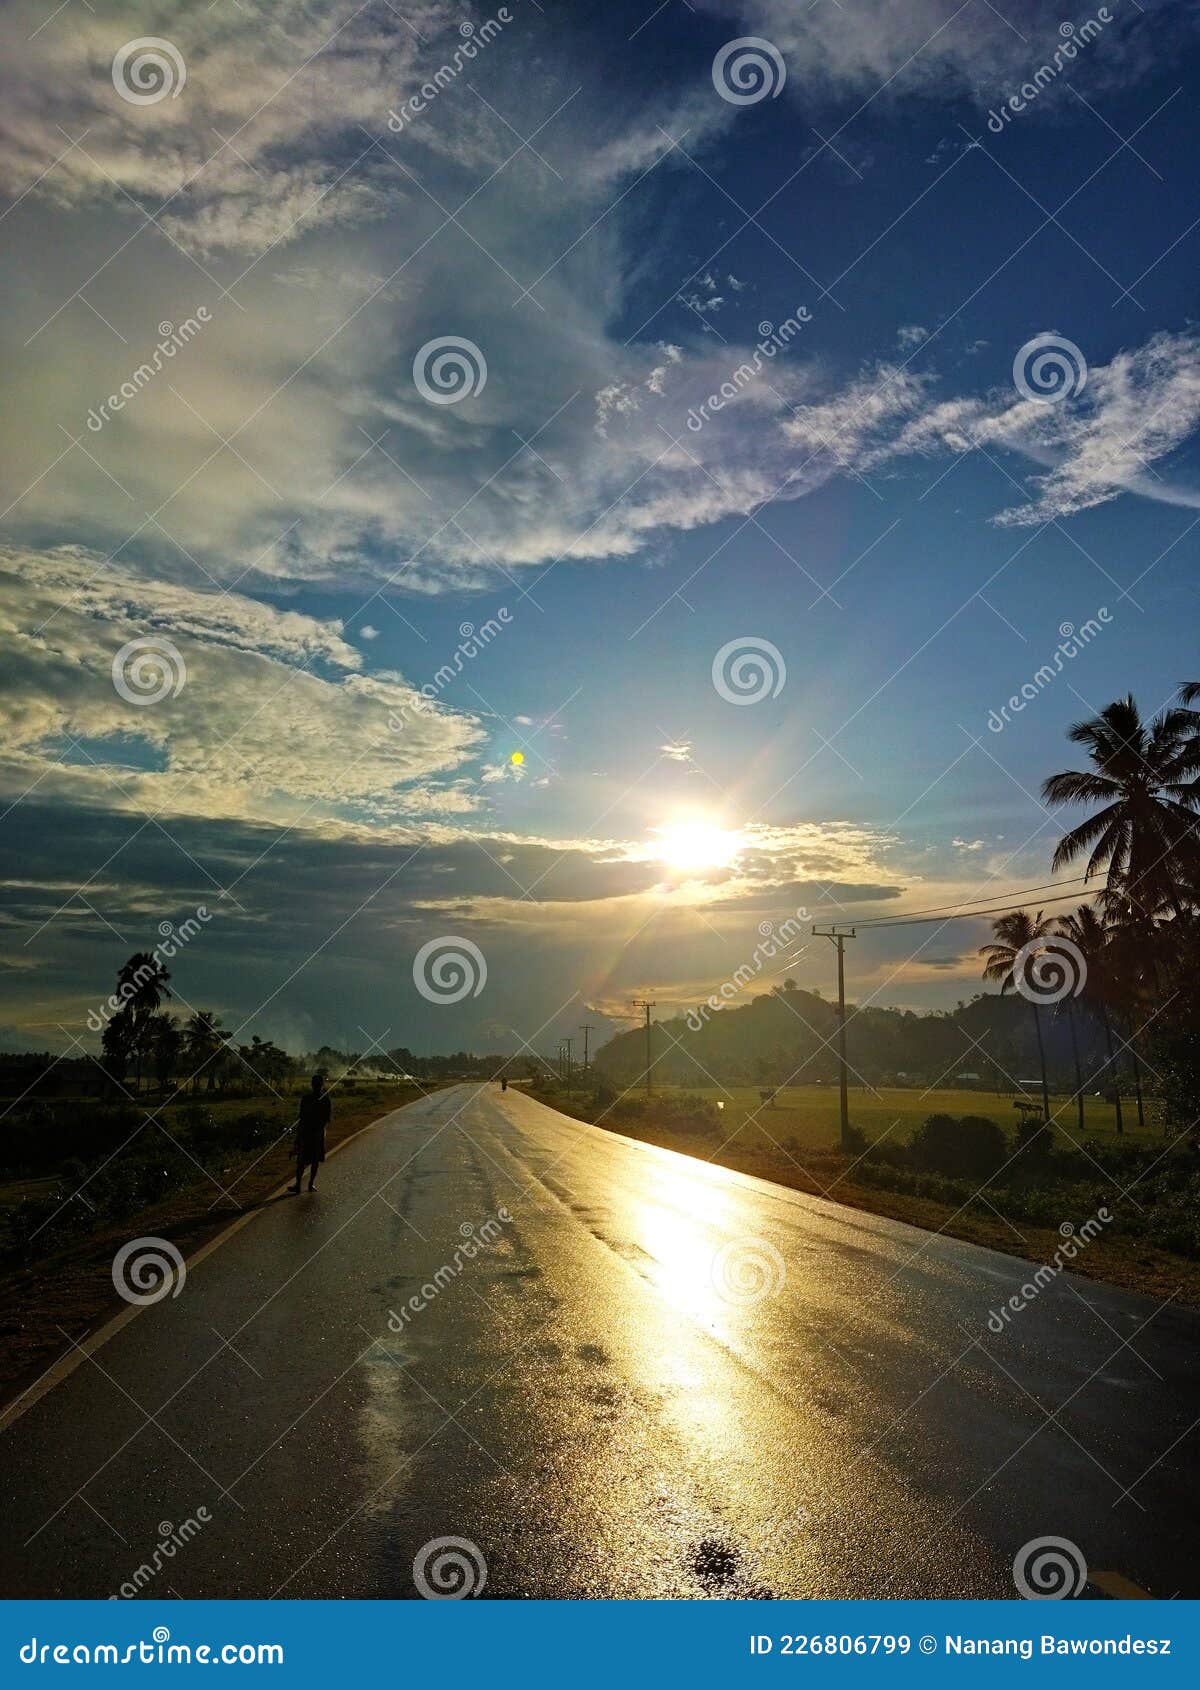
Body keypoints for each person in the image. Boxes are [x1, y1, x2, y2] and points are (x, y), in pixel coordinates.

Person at [290, 1072, 330, 1193]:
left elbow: (301, 1118)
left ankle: (298, 1185)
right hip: (316, 1133)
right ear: (321, 1085)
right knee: (314, 1160)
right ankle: (310, 1184)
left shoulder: (306, 1098)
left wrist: (299, 1135)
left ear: (312, 1084)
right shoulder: (325, 1099)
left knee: (302, 1161)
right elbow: (326, 1119)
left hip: (307, 1132)